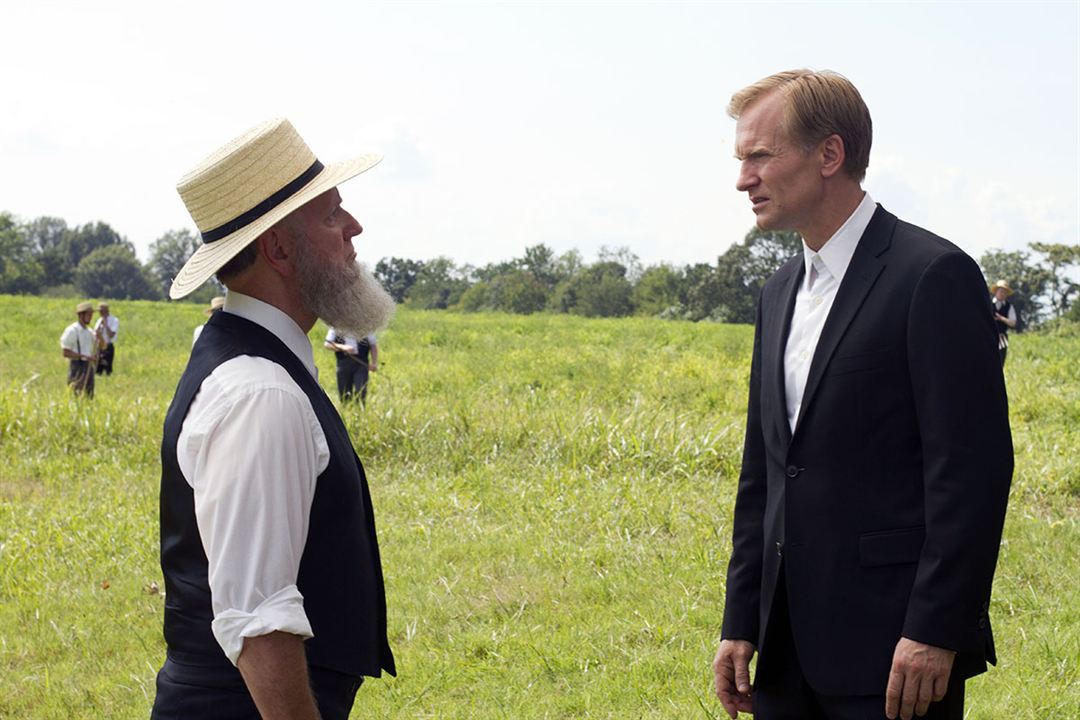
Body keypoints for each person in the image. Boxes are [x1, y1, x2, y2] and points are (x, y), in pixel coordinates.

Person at [711, 70, 1012, 720]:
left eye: (760, 155)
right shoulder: (777, 293)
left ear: (829, 154)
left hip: (897, 656)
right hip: (784, 649)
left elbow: (971, 472)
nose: (743, 179)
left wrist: (936, 629)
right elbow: (763, 473)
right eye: (741, 159)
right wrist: (741, 620)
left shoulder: (932, 276)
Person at [152, 118, 398, 720]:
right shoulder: (261, 393)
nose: (355, 228)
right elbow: (260, 623)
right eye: (333, 214)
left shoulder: (260, 366)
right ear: (280, 250)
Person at [324, 327, 378, 403]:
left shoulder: (366, 326)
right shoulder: (336, 326)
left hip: (361, 363)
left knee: (360, 389)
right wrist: (342, 347)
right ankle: (347, 410)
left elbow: (373, 345)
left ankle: (359, 410)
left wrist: (374, 363)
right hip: (343, 363)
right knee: (344, 392)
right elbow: (327, 344)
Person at [59, 301, 98, 397]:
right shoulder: (72, 330)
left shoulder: (89, 332)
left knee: (89, 396)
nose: (91, 317)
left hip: (88, 366)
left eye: (91, 315)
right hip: (77, 366)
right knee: (75, 394)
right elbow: (66, 352)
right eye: (89, 315)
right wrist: (83, 356)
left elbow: (100, 345)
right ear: (81, 315)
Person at [989, 280, 1018, 366]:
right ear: (996, 291)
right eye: (1001, 291)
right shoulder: (988, 303)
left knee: (1000, 361)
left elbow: (1013, 323)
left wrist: (1002, 319)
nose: (1002, 293)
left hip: (1002, 337)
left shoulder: (1009, 307)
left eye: (1005, 292)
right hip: (988, 335)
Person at [94, 302, 119, 375]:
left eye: (101, 311)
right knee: (98, 368)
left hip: (108, 346)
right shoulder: (99, 320)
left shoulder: (114, 320)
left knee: (107, 368)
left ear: (106, 311)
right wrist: (99, 327)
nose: (100, 313)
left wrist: (106, 324)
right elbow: (96, 333)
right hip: (99, 346)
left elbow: (111, 335)